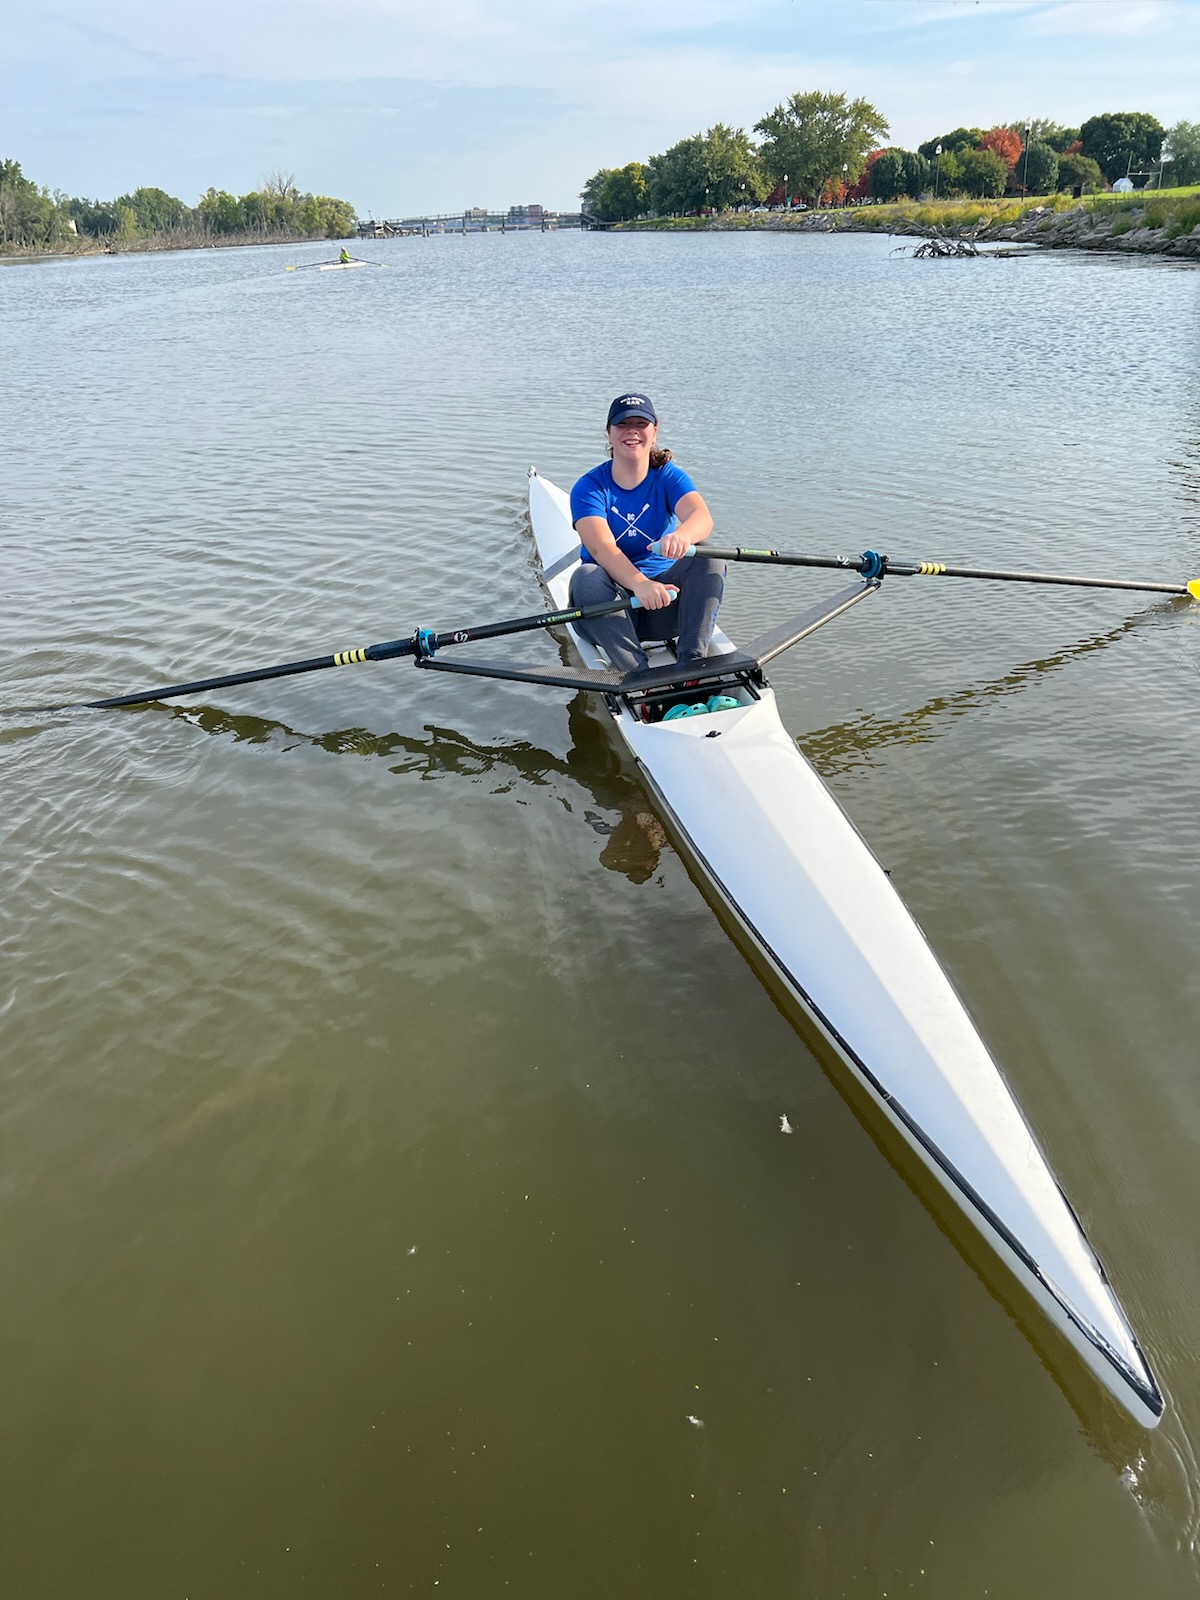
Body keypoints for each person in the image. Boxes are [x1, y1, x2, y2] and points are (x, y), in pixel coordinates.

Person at [568, 394, 724, 675]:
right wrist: (640, 584)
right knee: (587, 576)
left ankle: (692, 666)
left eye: (641, 424)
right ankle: (639, 675)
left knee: (708, 555)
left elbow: (702, 518)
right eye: (623, 424)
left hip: (665, 604)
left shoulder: (667, 476)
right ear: (609, 433)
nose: (632, 431)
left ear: (654, 432)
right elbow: (602, 549)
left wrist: (684, 535)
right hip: (607, 611)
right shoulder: (589, 487)